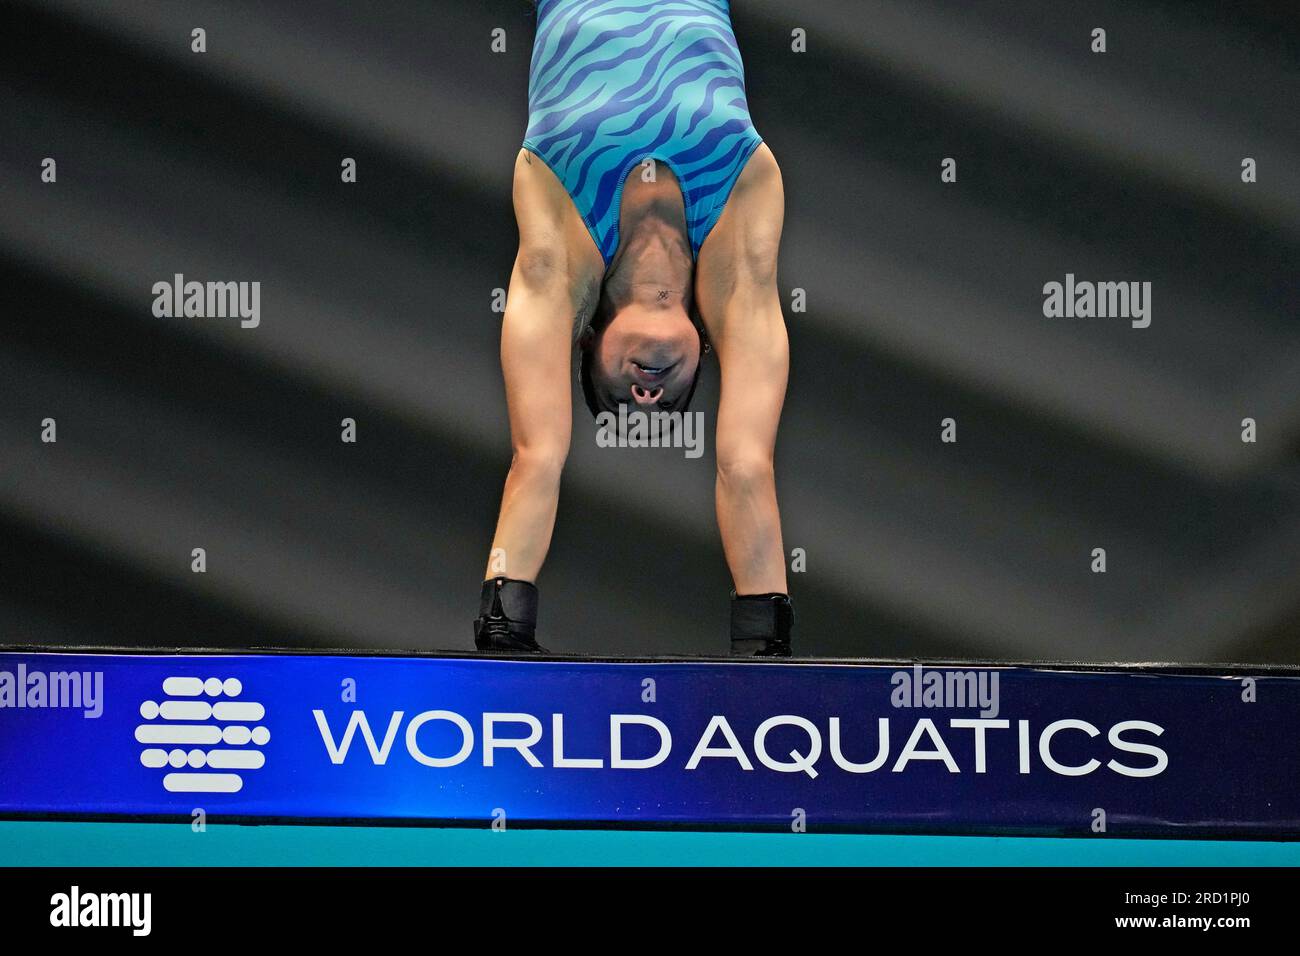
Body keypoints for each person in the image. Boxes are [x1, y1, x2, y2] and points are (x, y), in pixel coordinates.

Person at [475, 0, 793, 655]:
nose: (646, 395)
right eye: (669, 399)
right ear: (706, 348)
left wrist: (503, 636)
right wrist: (766, 658)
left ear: (582, 342)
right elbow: (744, 463)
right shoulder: (737, 230)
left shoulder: (558, 255)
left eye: (618, 395)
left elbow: (536, 457)